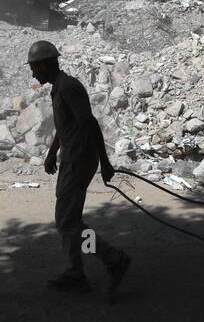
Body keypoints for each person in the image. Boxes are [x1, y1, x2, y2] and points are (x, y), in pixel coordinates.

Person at [27, 40, 131, 293]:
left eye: (33, 68)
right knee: (69, 221)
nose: (32, 73)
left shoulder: (68, 87)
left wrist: (105, 163)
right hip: (71, 159)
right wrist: (52, 154)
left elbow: (90, 124)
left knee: (68, 222)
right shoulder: (59, 88)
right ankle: (78, 270)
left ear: (44, 65)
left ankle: (110, 260)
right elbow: (66, 127)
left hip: (79, 161)